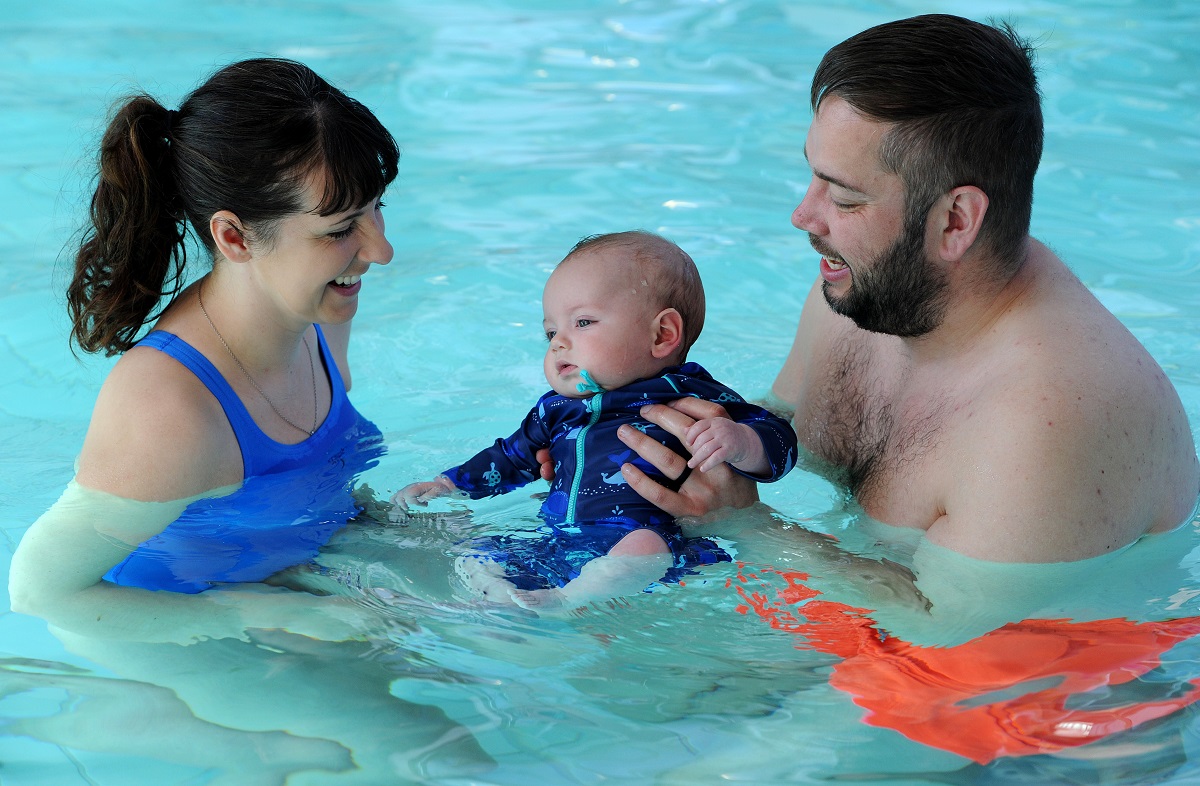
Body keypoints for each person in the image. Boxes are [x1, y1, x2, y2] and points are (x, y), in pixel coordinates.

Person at [8, 58, 489, 782]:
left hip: (303, 586)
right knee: (434, 752)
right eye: (340, 228)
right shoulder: (169, 406)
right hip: (179, 631)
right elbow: (43, 591)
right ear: (233, 237)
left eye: (377, 208)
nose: (381, 249)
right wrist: (248, 615)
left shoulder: (319, 314)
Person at [612, 14, 1200, 564]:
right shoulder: (863, 293)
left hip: (1056, 662)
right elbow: (779, 428)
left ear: (954, 221)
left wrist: (746, 526)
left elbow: (947, 634)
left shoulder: (1048, 427)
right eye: (813, 177)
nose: (803, 215)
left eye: (844, 197)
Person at [397, 231, 797, 611]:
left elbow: (779, 438)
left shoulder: (691, 394)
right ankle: (503, 599)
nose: (558, 342)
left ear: (662, 334)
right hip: (559, 538)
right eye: (551, 331)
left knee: (644, 547)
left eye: (582, 322)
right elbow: (510, 457)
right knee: (476, 551)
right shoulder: (554, 410)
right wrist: (449, 483)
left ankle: (570, 602)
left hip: (642, 537)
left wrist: (741, 441)